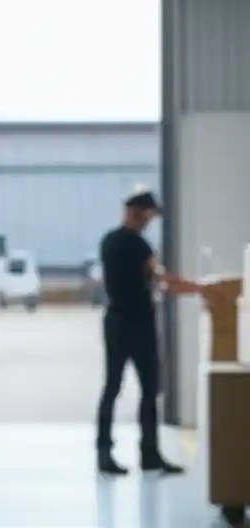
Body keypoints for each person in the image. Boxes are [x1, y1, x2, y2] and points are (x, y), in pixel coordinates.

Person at [94, 189, 201, 476]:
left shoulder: (109, 241)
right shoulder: (139, 245)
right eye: (147, 216)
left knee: (112, 388)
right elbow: (163, 279)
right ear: (135, 212)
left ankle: (104, 453)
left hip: (115, 321)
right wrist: (200, 288)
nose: (147, 222)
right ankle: (149, 454)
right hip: (138, 324)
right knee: (149, 389)